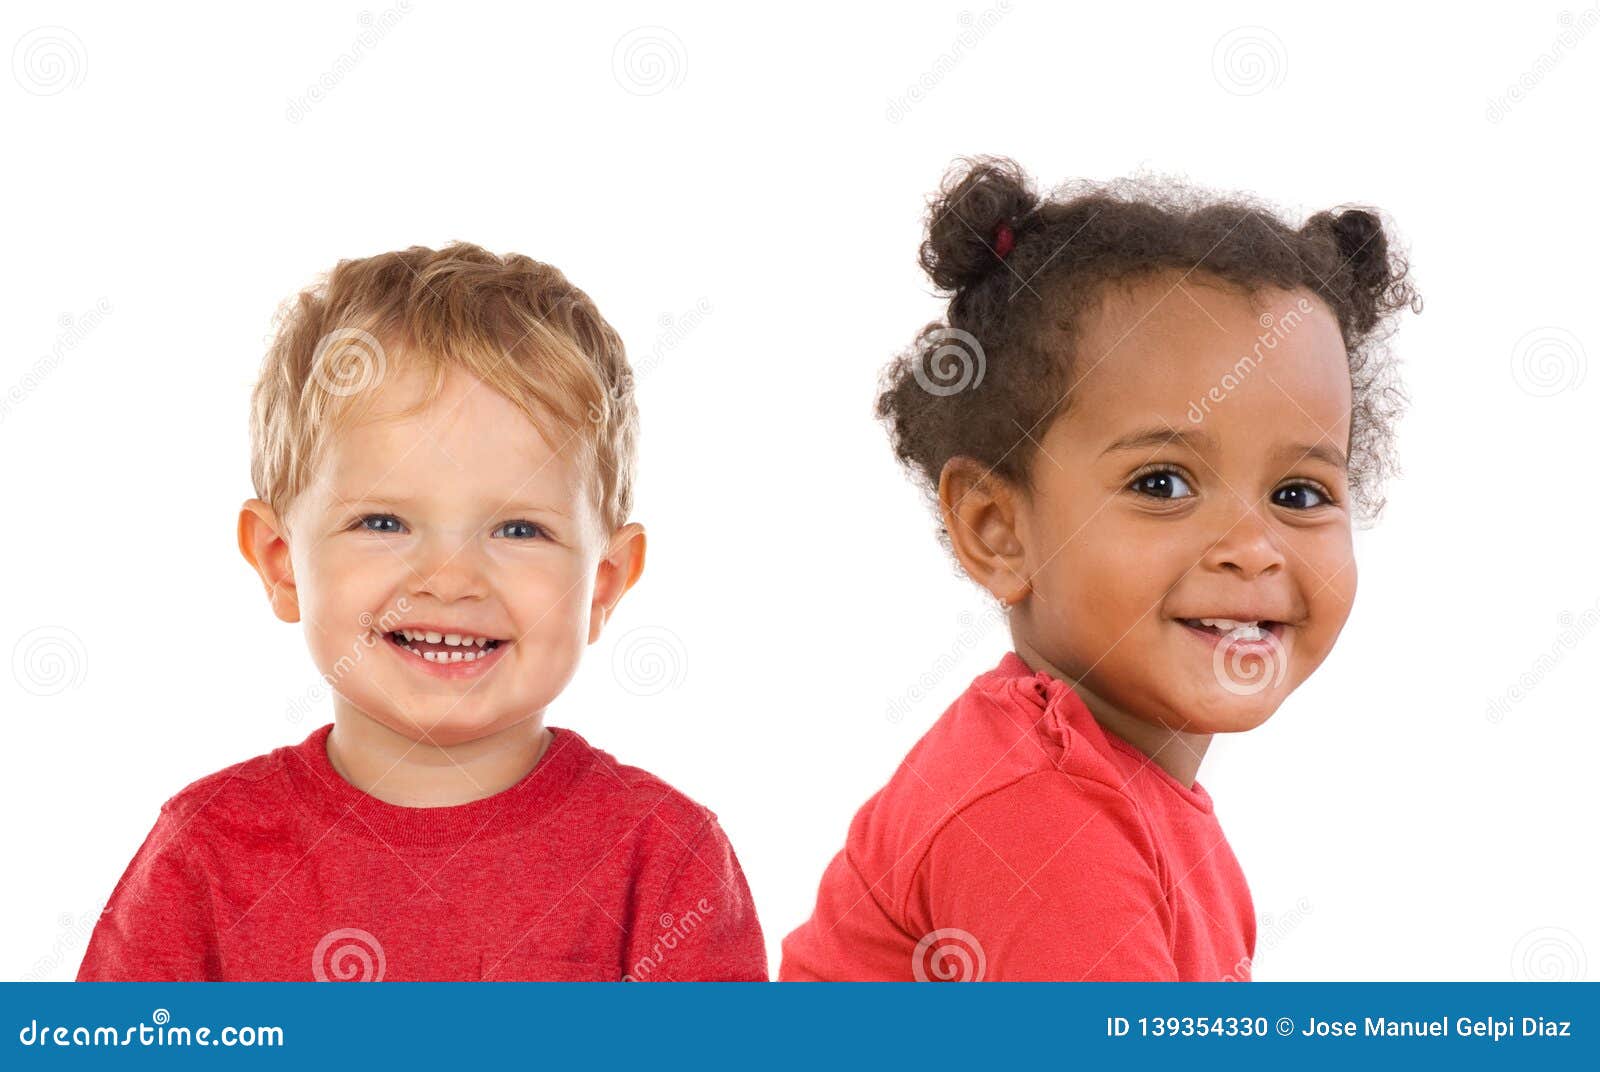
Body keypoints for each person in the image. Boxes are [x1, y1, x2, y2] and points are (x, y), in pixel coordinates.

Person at [780, 157, 1420, 981]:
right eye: (1162, 483)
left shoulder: (1134, 805)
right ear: (997, 529)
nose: (1254, 547)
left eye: (1300, 492)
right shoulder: (1034, 816)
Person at [77, 242, 766, 981]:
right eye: (382, 522)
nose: (450, 578)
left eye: (519, 529)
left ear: (602, 583)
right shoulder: (206, 851)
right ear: (281, 562)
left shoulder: (665, 858)